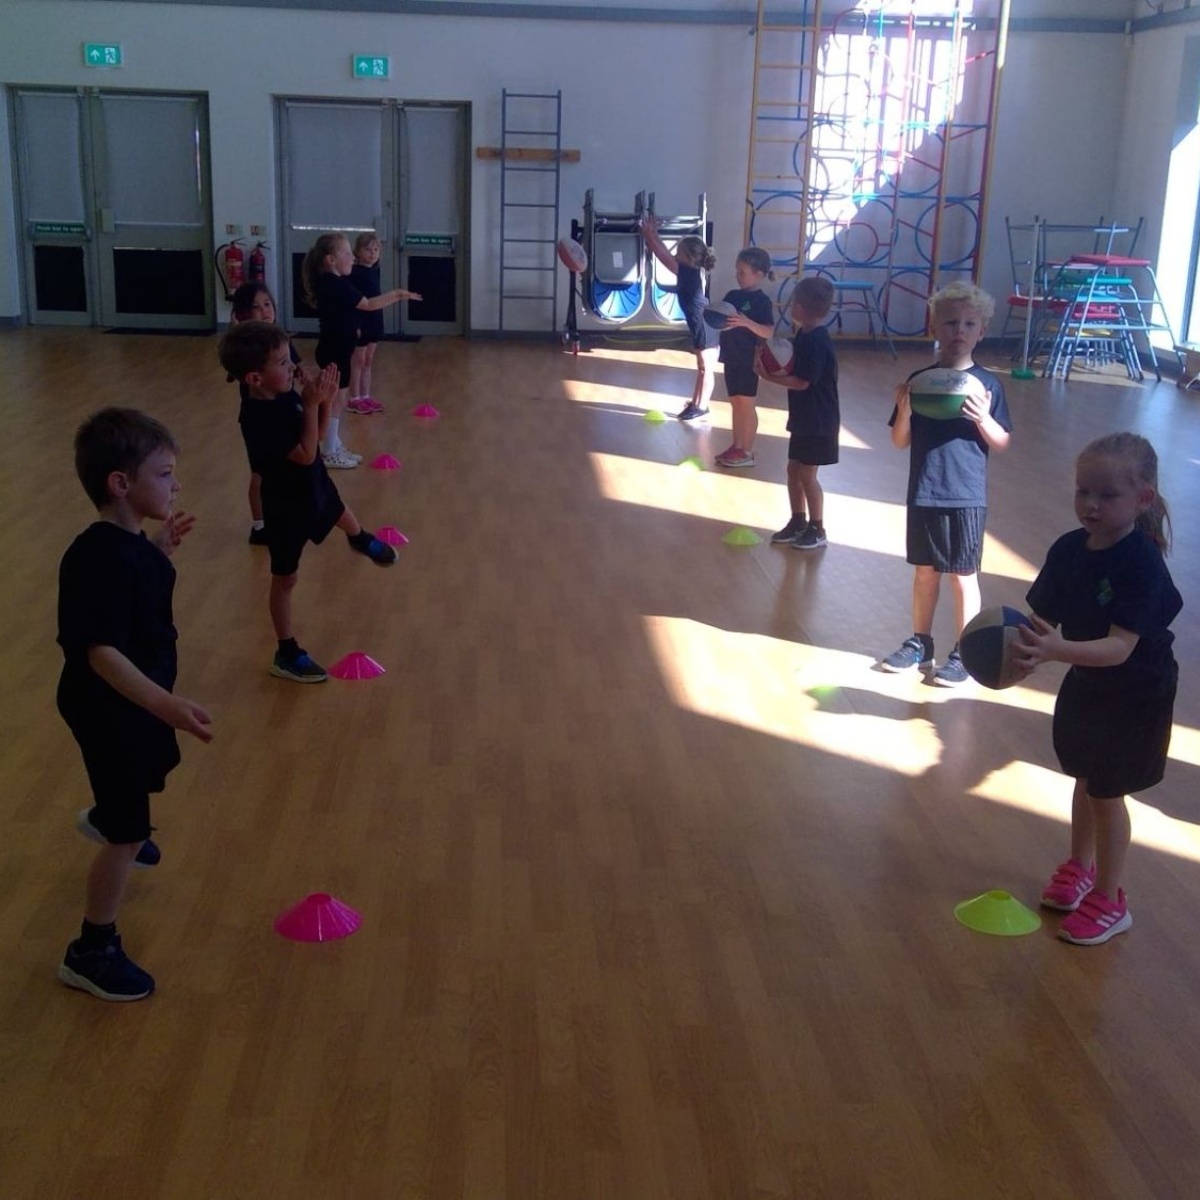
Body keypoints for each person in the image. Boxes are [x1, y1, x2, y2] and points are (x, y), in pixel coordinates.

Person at [57, 408, 214, 1001]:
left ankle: (107, 815)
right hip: (110, 702)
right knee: (128, 831)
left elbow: (131, 590)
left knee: (140, 778)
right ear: (120, 484)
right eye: (166, 475)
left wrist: (160, 549)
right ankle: (91, 950)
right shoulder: (94, 556)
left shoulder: (126, 545)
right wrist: (166, 706)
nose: (176, 486)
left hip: (130, 701)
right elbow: (100, 652)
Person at [1014, 433, 1181, 945]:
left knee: (1108, 793)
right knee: (1084, 779)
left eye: (1106, 495)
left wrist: (1056, 651)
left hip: (1136, 693)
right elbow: (1044, 618)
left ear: (1142, 500)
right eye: (1083, 491)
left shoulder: (1141, 562)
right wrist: (1015, 652)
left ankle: (1111, 899)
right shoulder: (1069, 549)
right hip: (1087, 681)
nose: (1090, 503)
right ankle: (1079, 867)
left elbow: (1120, 649)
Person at [218, 320, 398, 684]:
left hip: (311, 483)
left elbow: (310, 427)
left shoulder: (283, 395)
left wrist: (321, 400)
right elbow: (304, 451)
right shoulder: (258, 416)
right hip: (285, 505)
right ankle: (286, 652)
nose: (292, 368)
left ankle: (359, 537)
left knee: (336, 507)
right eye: (283, 363)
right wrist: (313, 401)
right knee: (286, 579)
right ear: (254, 378)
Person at [881, 282, 1012, 685]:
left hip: (965, 496)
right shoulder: (920, 382)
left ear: (981, 331)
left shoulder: (987, 386)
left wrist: (982, 419)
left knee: (962, 575)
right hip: (924, 490)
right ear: (934, 326)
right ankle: (921, 642)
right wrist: (904, 412)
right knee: (924, 573)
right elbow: (900, 440)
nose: (959, 330)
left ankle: (965, 651)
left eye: (969, 324)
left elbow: (1003, 441)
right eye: (951, 322)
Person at [726, 275, 839, 550]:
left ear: (798, 308)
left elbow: (803, 381)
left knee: (807, 476)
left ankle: (817, 528)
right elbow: (792, 366)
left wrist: (768, 377)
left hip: (820, 421)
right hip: (804, 417)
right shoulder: (804, 335)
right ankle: (798, 521)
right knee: (793, 470)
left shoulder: (817, 341)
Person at [300, 232, 420, 469]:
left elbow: (349, 314)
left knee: (339, 400)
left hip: (339, 350)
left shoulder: (339, 283)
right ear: (330, 260)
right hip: (334, 352)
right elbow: (368, 304)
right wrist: (398, 294)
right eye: (346, 253)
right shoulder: (334, 284)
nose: (352, 259)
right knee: (336, 401)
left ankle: (333, 444)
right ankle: (329, 450)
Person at [229, 280, 301, 545]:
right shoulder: (247, 346)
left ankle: (282, 511)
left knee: (284, 466)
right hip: (260, 417)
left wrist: (300, 373)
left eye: (267, 304)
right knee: (260, 473)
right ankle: (260, 526)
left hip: (284, 407)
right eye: (256, 307)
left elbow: (294, 364)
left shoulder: (278, 337)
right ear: (242, 315)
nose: (265, 311)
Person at [639, 215, 719, 421]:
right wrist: (653, 235)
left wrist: (650, 236)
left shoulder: (689, 273)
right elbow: (666, 255)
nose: (676, 254)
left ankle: (701, 407)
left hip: (704, 324)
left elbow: (664, 256)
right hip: (702, 323)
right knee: (702, 368)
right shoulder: (690, 271)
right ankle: (697, 404)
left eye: (679, 252)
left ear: (689, 257)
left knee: (705, 369)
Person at [713, 247, 775, 468]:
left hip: (750, 359)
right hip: (731, 357)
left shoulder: (762, 302)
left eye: (742, 272)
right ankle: (736, 445)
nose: (738, 276)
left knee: (747, 405)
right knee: (735, 403)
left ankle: (747, 451)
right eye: (737, 271)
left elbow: (768, 331)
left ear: (758, 274)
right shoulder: (732, 296)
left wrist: (746, 322)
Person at [348, 232, 385, 415]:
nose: (372, 253)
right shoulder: (354, 273)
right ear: (357, 251)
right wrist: (356, 325)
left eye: (376, 249)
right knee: (358, 361)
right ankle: (354, 398)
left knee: (368, 361)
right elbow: (354, 302)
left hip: (374, 322)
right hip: (361, 322)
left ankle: (365, 395)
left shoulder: (374, 271)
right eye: (367, 249)